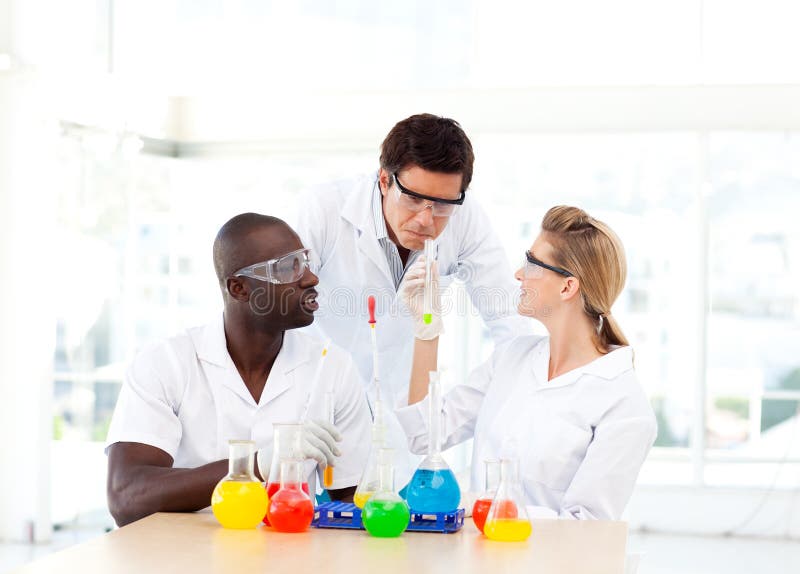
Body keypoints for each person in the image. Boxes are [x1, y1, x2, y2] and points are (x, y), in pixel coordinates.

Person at [294, 113, 530, 487]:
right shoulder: (322, 210)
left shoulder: (466, 221)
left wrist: (470, 411)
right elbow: (284, 320)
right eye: (415, 199)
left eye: (441, 205)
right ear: (384, 180)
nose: (426, 219)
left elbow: (514, 325)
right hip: (318, 417)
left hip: (402, 428)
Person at [106, 213, 371, 526]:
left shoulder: (334, 369)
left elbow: (349, 510)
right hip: (181, 559)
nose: (310, 278)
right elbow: (126, 497)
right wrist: (257, 465)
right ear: (239, 288)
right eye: (288, 267)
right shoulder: (165, 363)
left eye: (305, 261)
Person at [396, 206, 657, 520]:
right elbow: (424, 435)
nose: (519, 274)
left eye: (532, 263)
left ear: (568, 287)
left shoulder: (624, 405)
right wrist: (427, 330)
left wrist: (485, 509)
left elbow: (586, 525)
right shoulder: (513, 357)